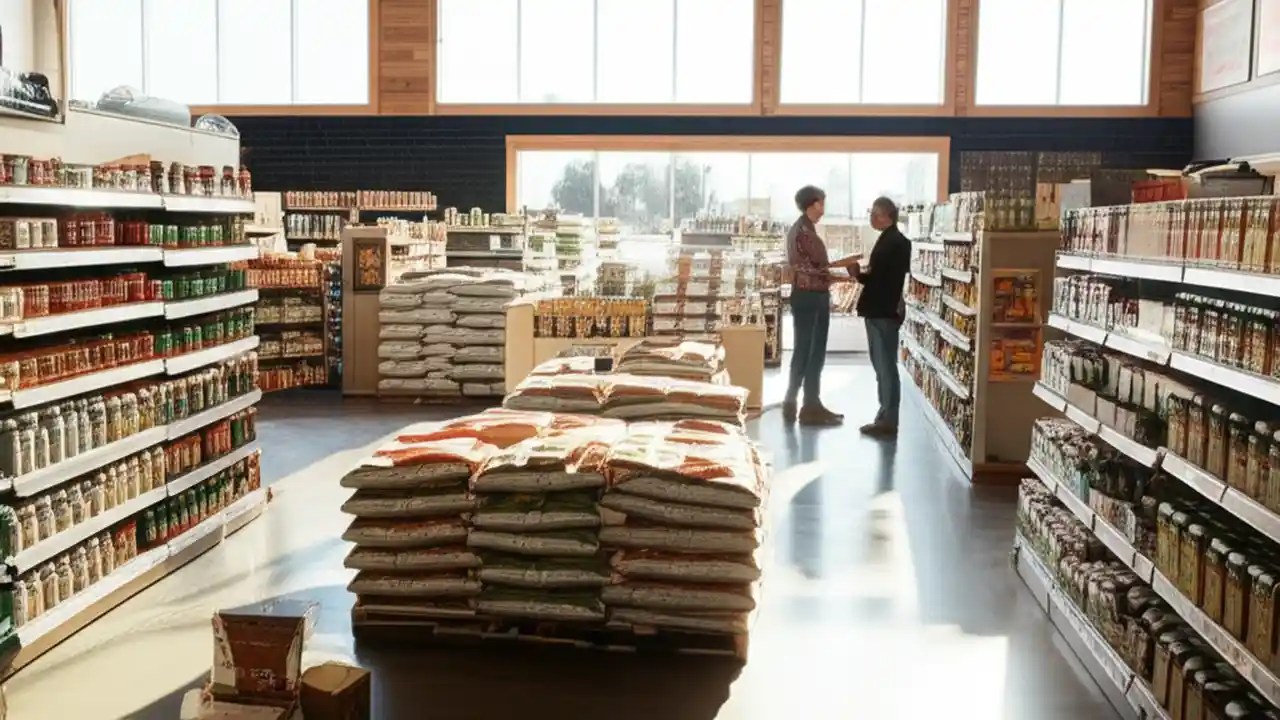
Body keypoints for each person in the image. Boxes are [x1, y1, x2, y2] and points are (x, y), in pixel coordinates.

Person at [848, 197, 911, 437]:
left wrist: (860, 275)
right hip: (882, 310)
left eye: (875, 214)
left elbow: (882, 281)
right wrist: (860, 275)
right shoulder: (892, 240)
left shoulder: (894, 243)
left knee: (884, 366)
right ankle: (884, 415)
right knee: (882, 365)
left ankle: (888, 418)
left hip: (882, 311)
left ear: (886, 215)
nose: (871, 218)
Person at [783, 185, 843, 427]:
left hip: (806, 295)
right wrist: (833, 274)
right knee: (811, 350)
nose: (823, 209)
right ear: (813, 203)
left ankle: (801, 402)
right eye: (822, 203)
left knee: (805, 349)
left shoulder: (800, 229)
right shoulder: (805, 232)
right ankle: (806, 404)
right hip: (811, 296)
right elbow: (819, 264)